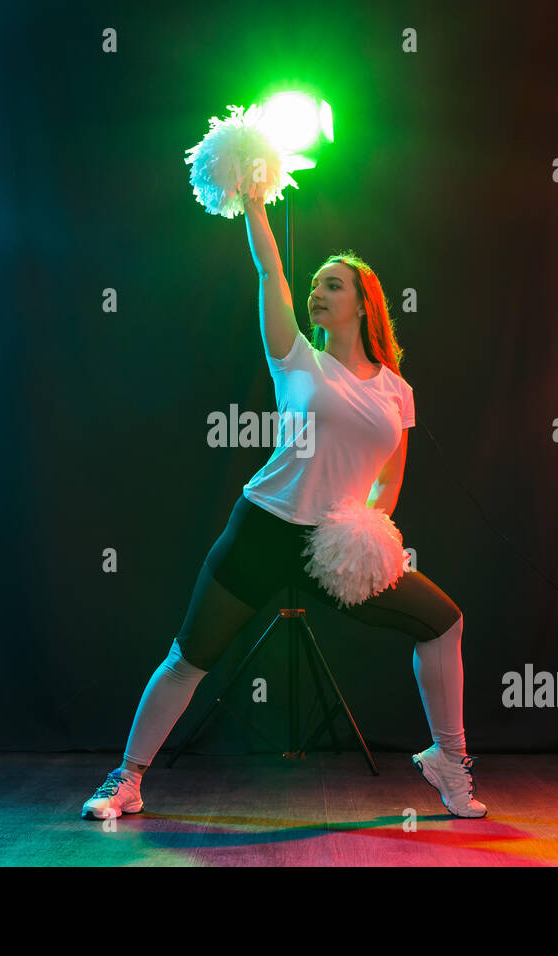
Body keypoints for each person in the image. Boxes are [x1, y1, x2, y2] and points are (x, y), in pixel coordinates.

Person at [82, 195, 485, 819]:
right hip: (264, 527)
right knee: (190, 657)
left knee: (444, 620)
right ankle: (127, 779)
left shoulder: (396, 391)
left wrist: (370, 536)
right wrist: (251, 200)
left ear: (364, 303)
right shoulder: (296, 357)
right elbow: (270, 269)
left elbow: (388, 482)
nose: (317, 293)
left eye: (333, 285)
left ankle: (448, 763)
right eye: (316, 285)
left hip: (339, 548)